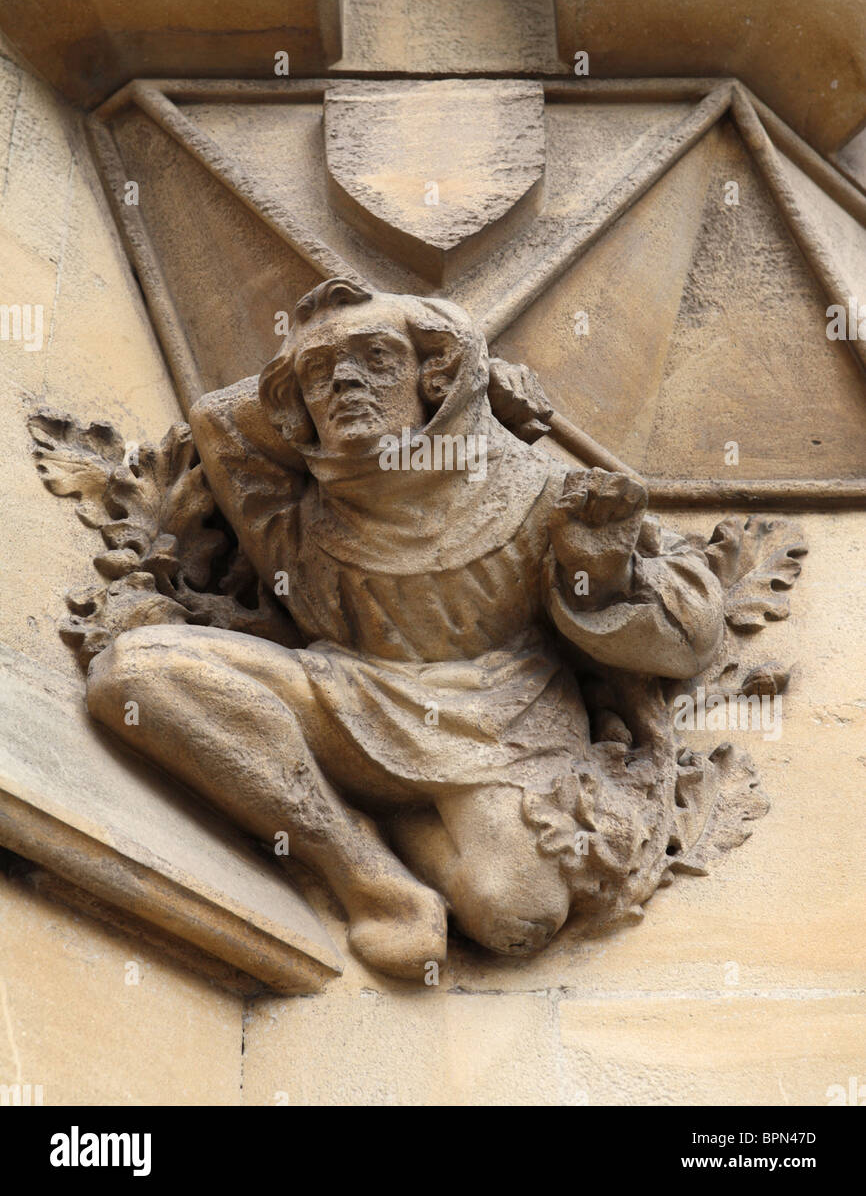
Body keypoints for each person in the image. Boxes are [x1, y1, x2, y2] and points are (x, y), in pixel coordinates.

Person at [87, 279, 724, 979]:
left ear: (435, 374)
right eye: (318, 375)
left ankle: (402, 820)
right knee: (135, 675)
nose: (345, 380)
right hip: (347, 694)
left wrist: (600, 569)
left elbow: (689, 637)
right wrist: (465, 384)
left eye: (376, 358)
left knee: (516, 912)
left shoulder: (535, 488)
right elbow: (219, 416)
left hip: (502, 726)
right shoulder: (293, 509)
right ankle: (365, 873)